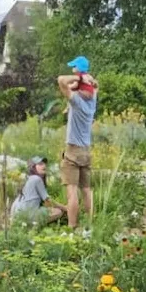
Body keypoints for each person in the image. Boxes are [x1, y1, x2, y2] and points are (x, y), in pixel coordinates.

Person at [57, 56, 98, 229]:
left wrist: (79, 77)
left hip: (73, 150)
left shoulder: (77, 101)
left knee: (72, 191)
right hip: (86, 150)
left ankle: (72, 227)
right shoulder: (92, 98)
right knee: (86, 190)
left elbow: (61, 81)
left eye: (74, 67)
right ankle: (90, 224)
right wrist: (88, 80)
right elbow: (95, 87)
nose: (71, 69)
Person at [11, 156, 66, 222]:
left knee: (45, 209)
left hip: (17, 214)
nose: (44, 166)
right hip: (28, 214)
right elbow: (48, 201)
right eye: (40, 164)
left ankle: (27, 225)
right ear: (33, 167)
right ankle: (33, 227)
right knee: (58, 212)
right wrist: (65, 208)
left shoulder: (27, 178)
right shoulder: (37, 179)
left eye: (44, 164)